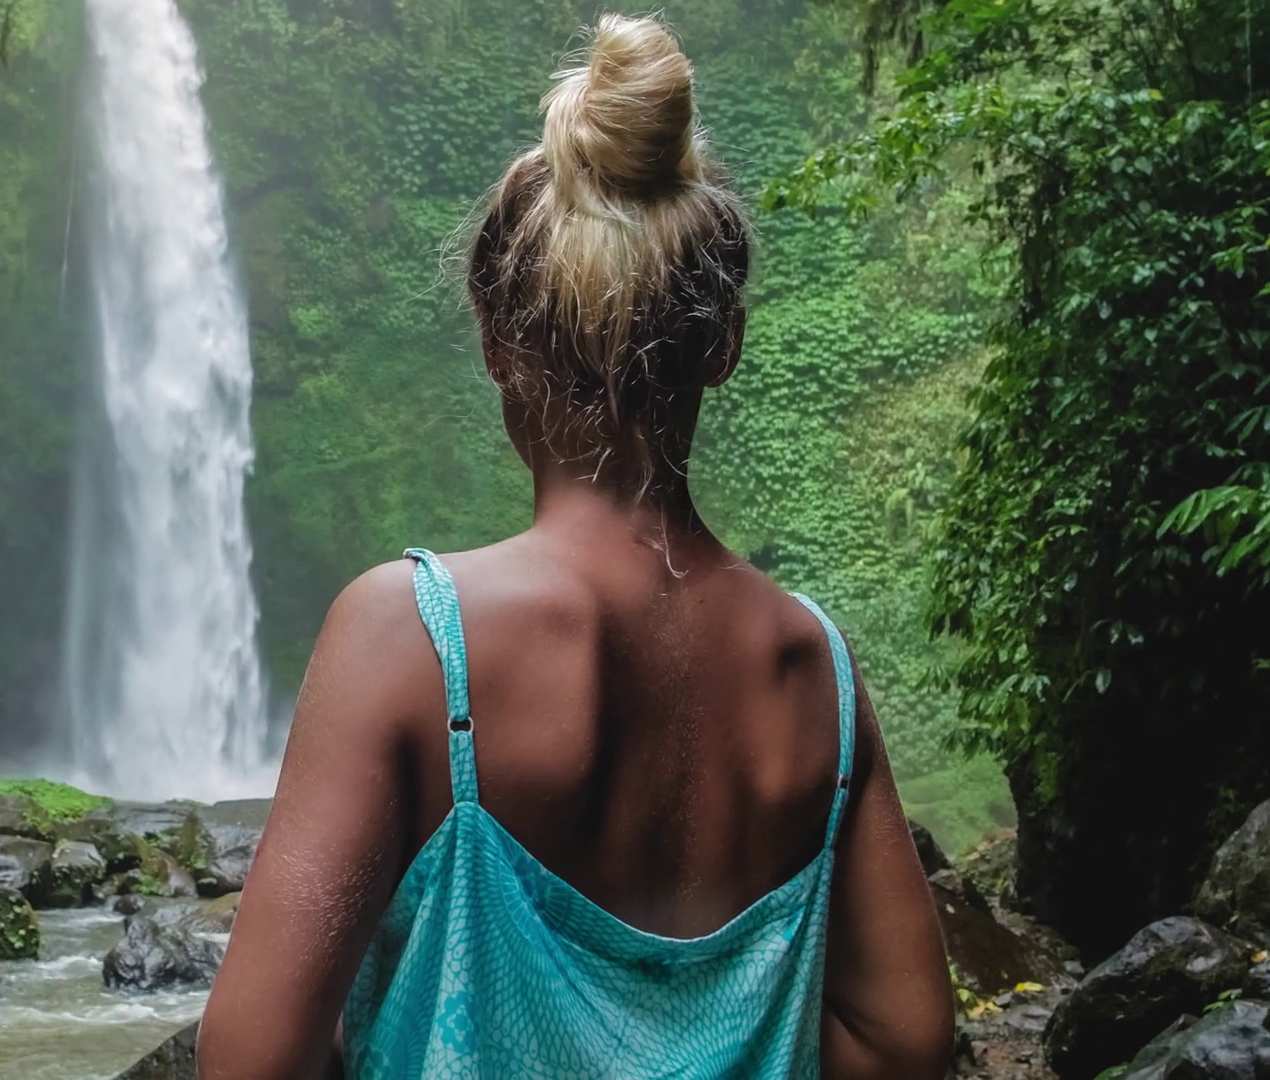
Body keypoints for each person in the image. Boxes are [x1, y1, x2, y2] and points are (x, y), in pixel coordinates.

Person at [196, 12, 954, 1080]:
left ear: (497, 342)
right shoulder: (813, 672)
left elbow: (249, 1061)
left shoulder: (412, 642)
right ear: (722, 348)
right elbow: (909, 1039)